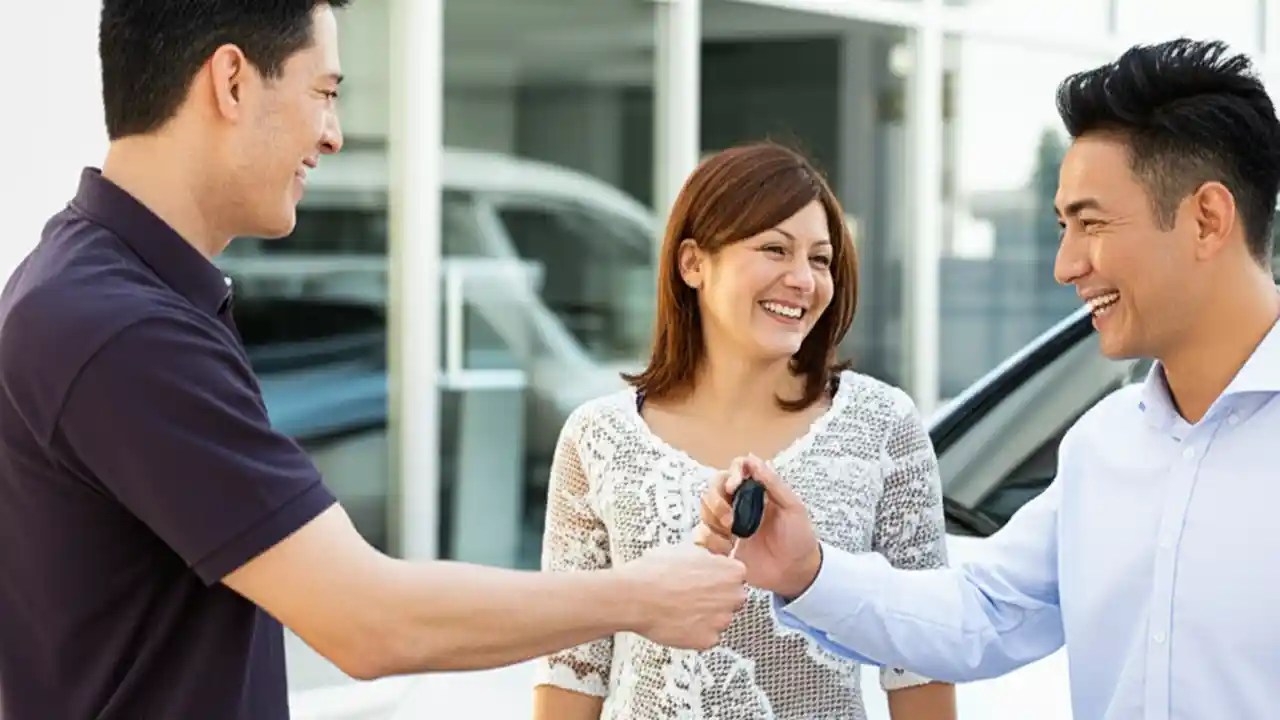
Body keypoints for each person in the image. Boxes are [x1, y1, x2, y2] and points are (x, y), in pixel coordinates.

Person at [0, 2, 749, 718]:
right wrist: (641, 597)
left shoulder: (99, 291)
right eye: (324, 92)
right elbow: (368, 620)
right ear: (231, 80)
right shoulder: (120, 327)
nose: (332, 135)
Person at [694, 38, 1280, 720]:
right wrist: (807, 569)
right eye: (1063, 226)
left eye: (1089, 222)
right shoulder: (1103, 447)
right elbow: (983, 610)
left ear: (1206, 219)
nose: (1066, 265)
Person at [530, 142, 957, 720]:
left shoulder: (883, 426)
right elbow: (569, 668)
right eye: (775, 250)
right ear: (692, 263)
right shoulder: (598, 436)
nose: (803, 280)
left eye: (821, 259)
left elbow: (922, 659)